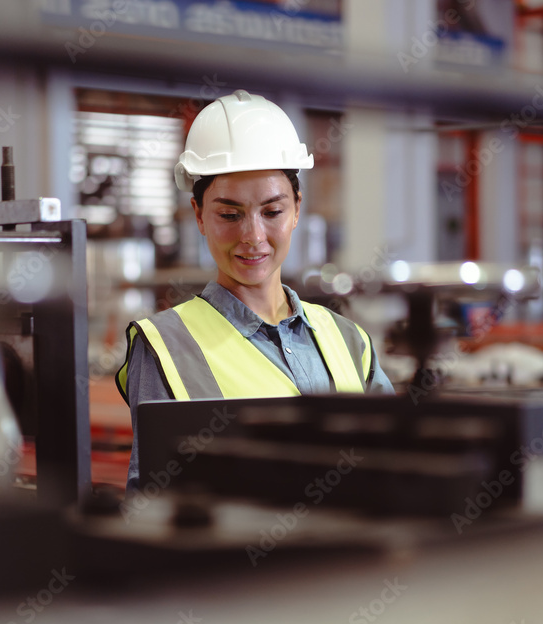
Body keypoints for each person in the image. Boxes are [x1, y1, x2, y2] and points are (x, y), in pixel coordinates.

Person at [116, 89, 394, 491]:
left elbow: (394, 469)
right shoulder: (164, 346)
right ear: (199, 216)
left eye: (272, 211)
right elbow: (153, 502)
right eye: (230, 214)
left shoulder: (349, 341)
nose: (253, 236)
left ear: (297, 208)